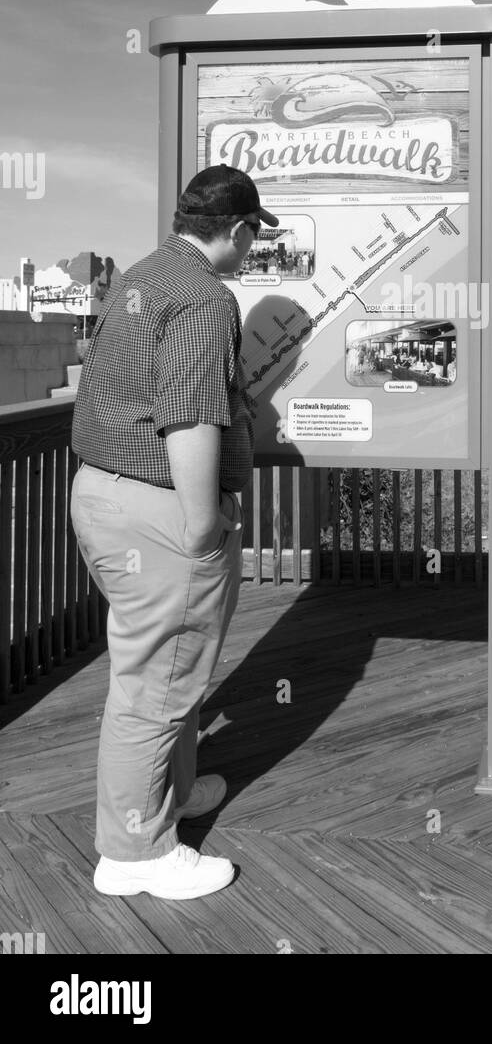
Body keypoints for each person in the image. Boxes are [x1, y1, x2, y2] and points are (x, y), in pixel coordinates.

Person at [70, 164, 279, 901]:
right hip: (160, 510)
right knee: (156, 687)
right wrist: (203, 523)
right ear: (239, 229)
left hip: (103, 494)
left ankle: (167, 799)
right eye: (256, 236)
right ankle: (134, 851)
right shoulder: (205, 297)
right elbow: (189, 413)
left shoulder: (147, 274)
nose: (254, 251)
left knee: (165, 674)